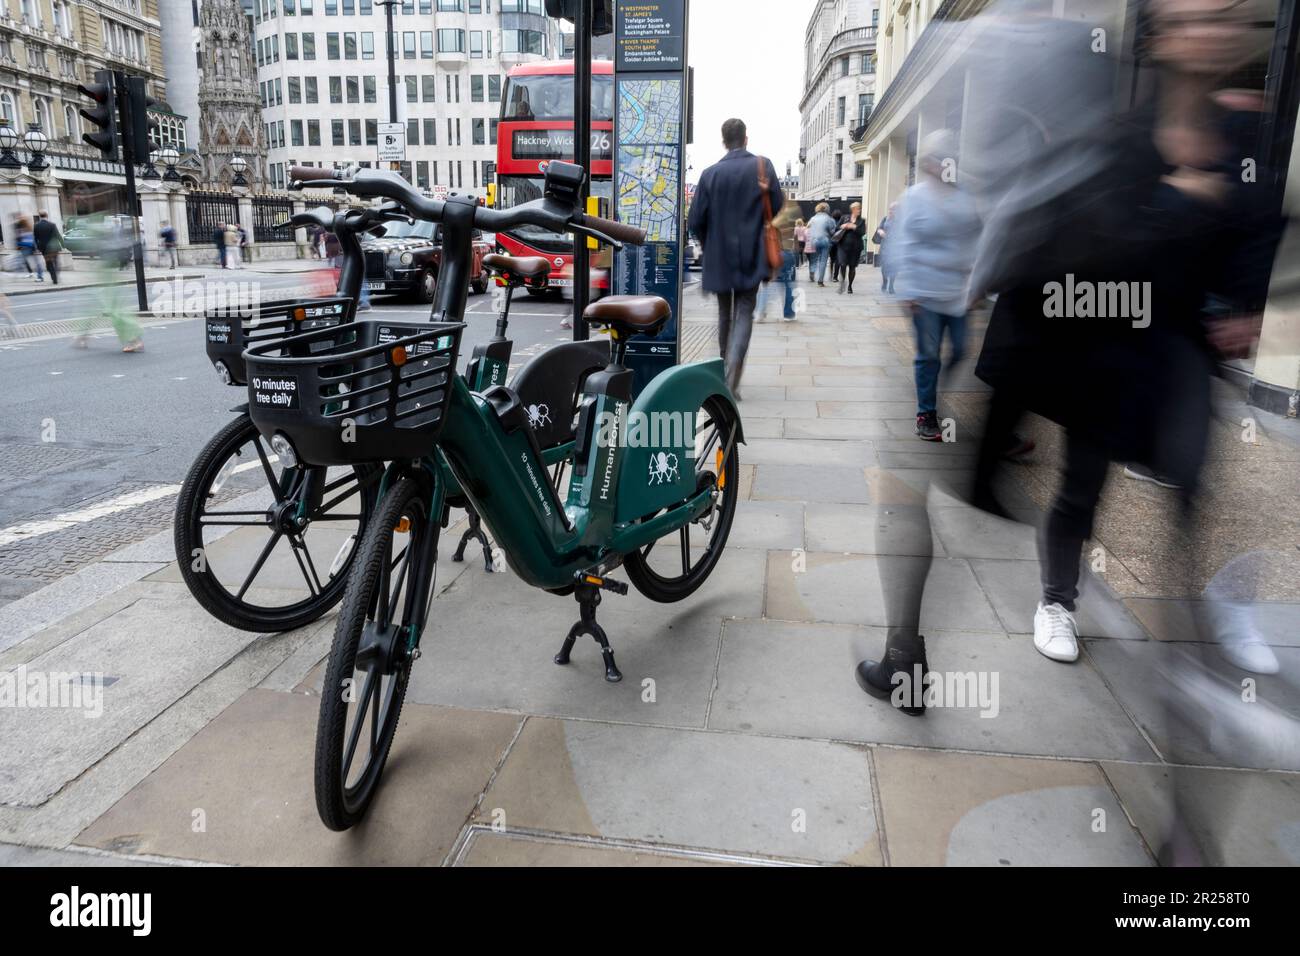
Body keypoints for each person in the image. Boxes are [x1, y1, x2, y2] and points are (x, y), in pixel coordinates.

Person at [889, 130, 982, 442]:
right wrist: (908, 290)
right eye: (937, 158)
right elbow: (901, 243)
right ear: (928, 163)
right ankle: (926, 412)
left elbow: (974, 240)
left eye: (948, 157)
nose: (943, 163)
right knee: (929, 354)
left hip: (957, 291)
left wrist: (975, 283)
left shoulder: (965, 196)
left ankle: (929, 386)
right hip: (923, 292)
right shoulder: (914, 198)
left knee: (959, 349)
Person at [686, 117, 784, 399]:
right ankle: (733, 377)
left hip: (719, 255)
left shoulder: (709, 174)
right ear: (746, 138)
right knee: (744, 312)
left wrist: (709, 242)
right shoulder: (763, 166)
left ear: (723, 141)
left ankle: (722, 368)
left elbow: (695, 220)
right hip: (752, 252)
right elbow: (775, 204)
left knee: (723, 313)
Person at [757, 200, 800, 323]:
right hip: (785, 252)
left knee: (767, 284)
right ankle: (789, 314)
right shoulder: (788, 216)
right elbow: (794, 237)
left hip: (774, 253)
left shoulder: (772, 218)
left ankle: (760, 312)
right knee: (789, 285)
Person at [834, 201, 866, 294]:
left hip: (855, 247)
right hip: (843, 246)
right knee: (843, 265)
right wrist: (842, 226)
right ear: (853, 209)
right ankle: (842, 283)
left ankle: (850, 286)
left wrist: (854, 227)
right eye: (857, 209)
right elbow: (836, 228)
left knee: (852, 267)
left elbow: (862, 232)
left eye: (860, 208)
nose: (859, 210)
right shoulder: (844, 217)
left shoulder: (862, 220)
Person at [805, 202, 835, 286]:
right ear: (826, 209)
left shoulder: (813, 218)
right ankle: (820, 281)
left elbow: (807, 227)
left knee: (814, 259)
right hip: (825, 240)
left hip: (814, 240)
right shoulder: (828, 218)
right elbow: (832, 231)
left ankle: (812, 272)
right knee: (823, 261)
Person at [873, 203, 897, 293]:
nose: (891, 211)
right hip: (885, 246)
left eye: (893, 209)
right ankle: (885, 281)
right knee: (884, 266)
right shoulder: (885, 218)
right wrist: (880, 231)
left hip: (895, 246)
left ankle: (891, 285)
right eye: (890, 209)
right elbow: (879, 228)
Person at [34, 211, 61, 284]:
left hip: (44, 248)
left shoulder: (36, 226)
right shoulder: (52, 225)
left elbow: (36, 238)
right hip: (54, 247)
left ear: (40, 216)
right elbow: (58, 235)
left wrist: (37, 247)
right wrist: (62, 244)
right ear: (47, 216)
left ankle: (53, 277)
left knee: (49, 263)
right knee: (55, 261)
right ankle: (56, 274)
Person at [16, 217, 43, 282]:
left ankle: (17, 272)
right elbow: (33, 240)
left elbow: (28, 241)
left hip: (28, 248)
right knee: (36, 263)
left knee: (20, 260)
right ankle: (39, 276)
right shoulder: (29, 229)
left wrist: (19, 244)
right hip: (31, 248)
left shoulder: (23, 231)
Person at [828, 210, 844, 284]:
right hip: (839, 243)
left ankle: (830, 275)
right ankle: (835, 276)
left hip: (831, 243)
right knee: (838, 260)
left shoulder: (830, 222)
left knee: (832, 259)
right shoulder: (842, 222)